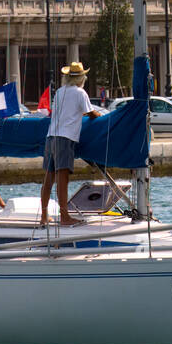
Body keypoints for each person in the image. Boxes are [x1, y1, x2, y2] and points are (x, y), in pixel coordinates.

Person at [40, 61, 102, 226]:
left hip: (50, 136)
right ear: (81, 78)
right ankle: (65, 216)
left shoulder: (59, 92)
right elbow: (91, 113)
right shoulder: (80, 93)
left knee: (48, 178)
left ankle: (43, 216)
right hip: (65, 138)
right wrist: (102, 118)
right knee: (63, 177)